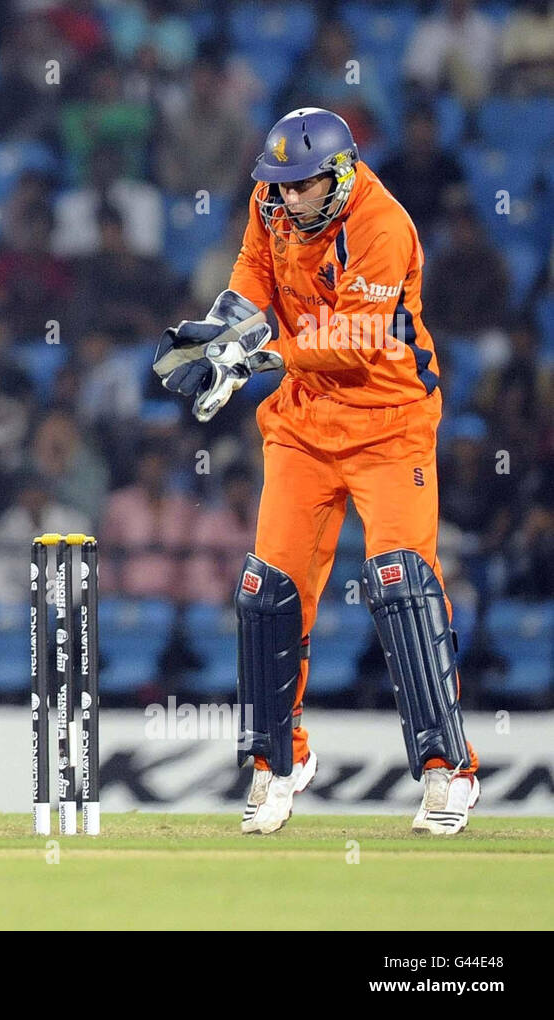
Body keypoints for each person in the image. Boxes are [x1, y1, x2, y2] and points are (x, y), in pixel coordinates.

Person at [153, 108, 480, 835]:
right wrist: (219, 336)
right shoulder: (271, 201)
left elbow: (358, 340)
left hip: (389, 422)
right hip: (303, 424)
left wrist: (257, 358)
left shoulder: (382, 222)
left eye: (301, 186)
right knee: (266, 592)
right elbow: (251, 274)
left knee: (402, 583)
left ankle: (446, 768)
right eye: (277, 185)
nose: (286, 199)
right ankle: (278, 760)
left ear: (338, 175)